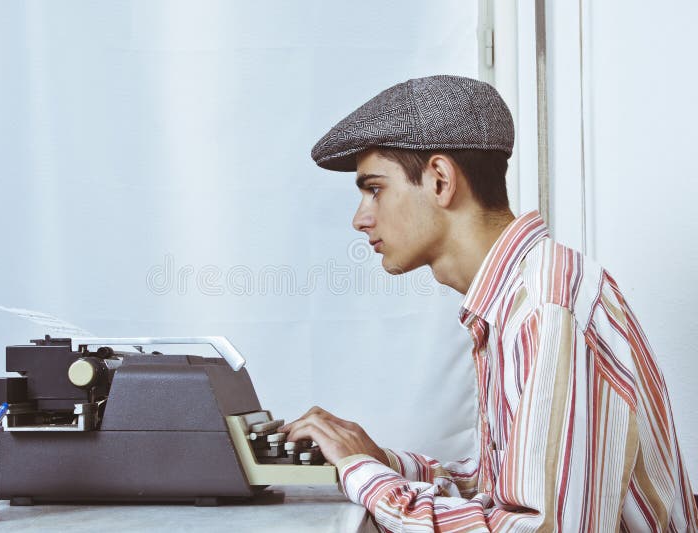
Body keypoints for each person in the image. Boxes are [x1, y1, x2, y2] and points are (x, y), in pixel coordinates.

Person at [279, 75, 698, 531]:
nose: (360, 219)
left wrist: (362, 474)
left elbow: (544, 527)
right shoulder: (518, 298)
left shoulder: (546, 307)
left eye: (374, 188)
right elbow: (504, 488)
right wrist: (377, 459)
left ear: (440, 180)